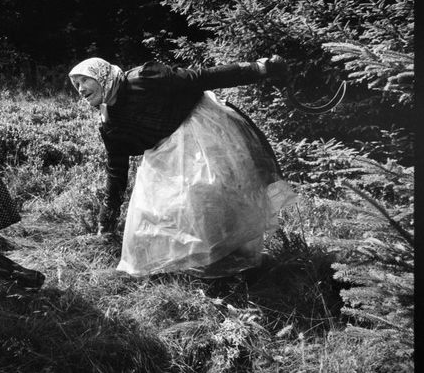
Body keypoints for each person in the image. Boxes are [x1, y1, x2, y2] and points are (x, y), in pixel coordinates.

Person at [68, 56, 298, 278]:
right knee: (161, 209)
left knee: (208, 191)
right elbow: (116, 171)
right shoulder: (109, 123)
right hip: (166, 151)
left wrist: (260, 68)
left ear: (101, 75)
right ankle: (203, 263)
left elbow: (202, 77)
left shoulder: (146, 78)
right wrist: (105, 222)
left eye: (85, 80)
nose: (80, 88)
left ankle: (240, 257)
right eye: (76, 84)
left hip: (201, 127)